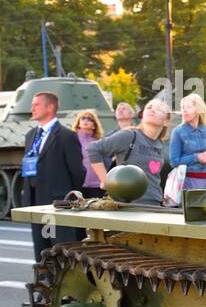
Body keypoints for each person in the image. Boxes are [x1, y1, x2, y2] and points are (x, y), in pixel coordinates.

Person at [21, 91, 84, 257]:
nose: (32, 108)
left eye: (36, 105)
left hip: (57, 205)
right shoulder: (30, 136)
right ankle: (42, 281)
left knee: (60, 251)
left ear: (50, 107)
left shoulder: (66, 136)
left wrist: (68, 198)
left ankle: (61, 283)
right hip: (35, 202)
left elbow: (78, 172)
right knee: (41, 251)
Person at [88, 99, 170, 206]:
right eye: (149, 107)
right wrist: (106, 181)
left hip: (154, 203)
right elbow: (93, 149)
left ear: (166, 121)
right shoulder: (129, 135)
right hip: (129, 204)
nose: (152, 109)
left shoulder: (160, 144)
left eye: (158, 109)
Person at [170, 94, 206, 191]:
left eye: (189, 107)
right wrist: (197, 157)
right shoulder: (178, 131)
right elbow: (174, 161)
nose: (184, 110)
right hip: (186, 182)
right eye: (183, 108)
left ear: (199, 109)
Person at [72, 110, 106, 198]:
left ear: (94, 125)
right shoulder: (72, 139)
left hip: (97, 186)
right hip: (78, 185)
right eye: (83, 118)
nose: (86, 120)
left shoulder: (99, 141)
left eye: (89, 119)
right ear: (78, 122)